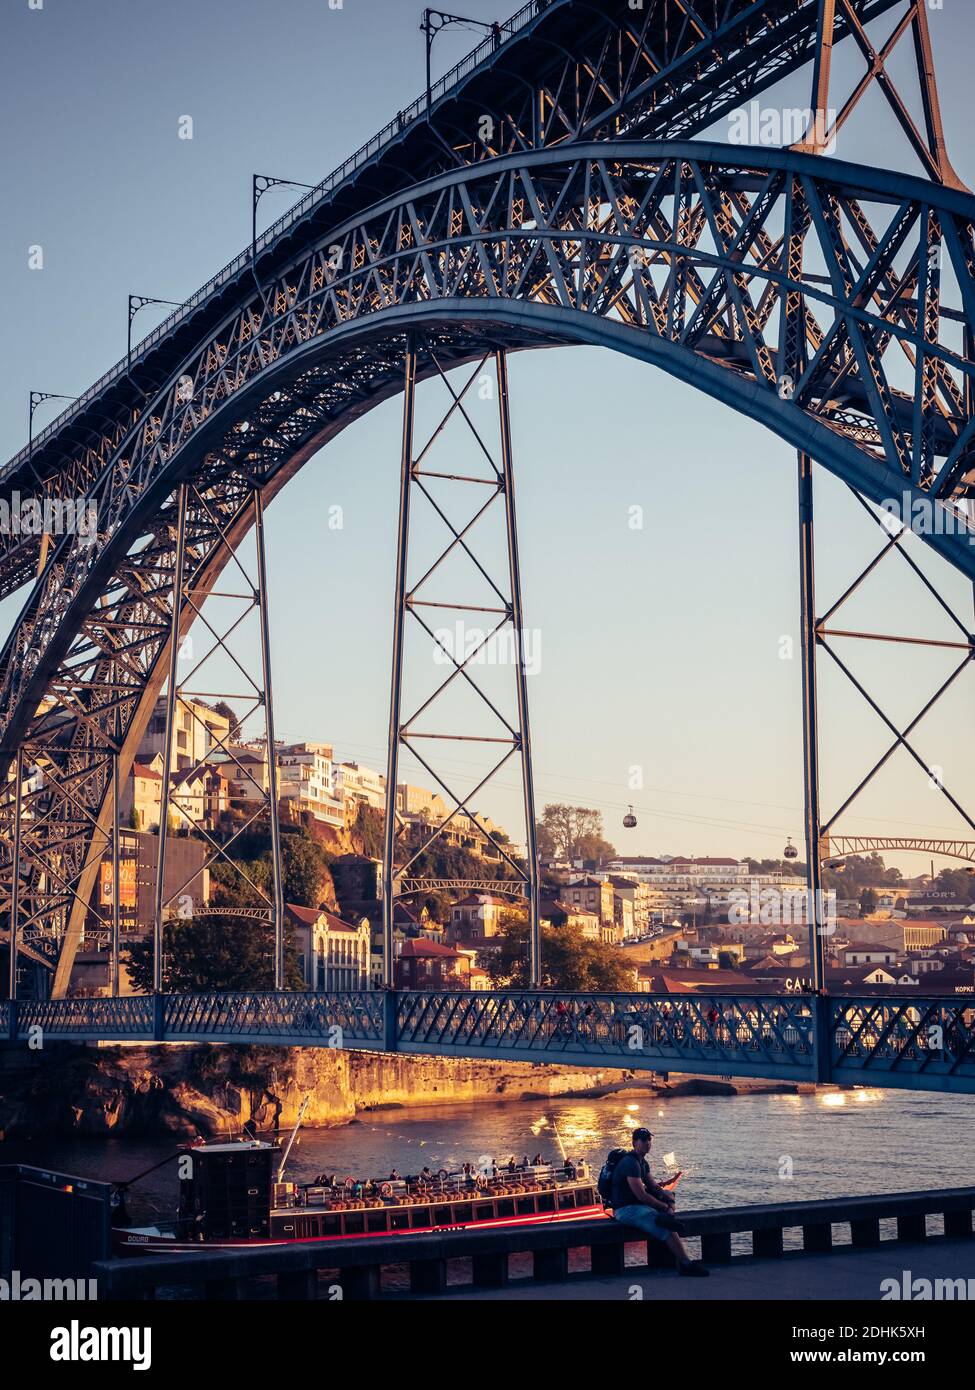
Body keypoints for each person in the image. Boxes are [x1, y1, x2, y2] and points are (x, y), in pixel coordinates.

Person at [609, 1128, 708, 1277]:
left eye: (649, 1139)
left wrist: (667, 1198)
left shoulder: (642, 1162)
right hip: (625, 1210)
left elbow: (654, 1187)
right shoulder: (630, 1163)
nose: (647, 1143)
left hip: (637, 1206)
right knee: (664, 1224)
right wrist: (664, 1206)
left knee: (668, 1195)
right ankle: (686, 1263)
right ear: (634, 1142)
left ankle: (669, 1216)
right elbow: (641, 1196)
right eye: (643, 1140)